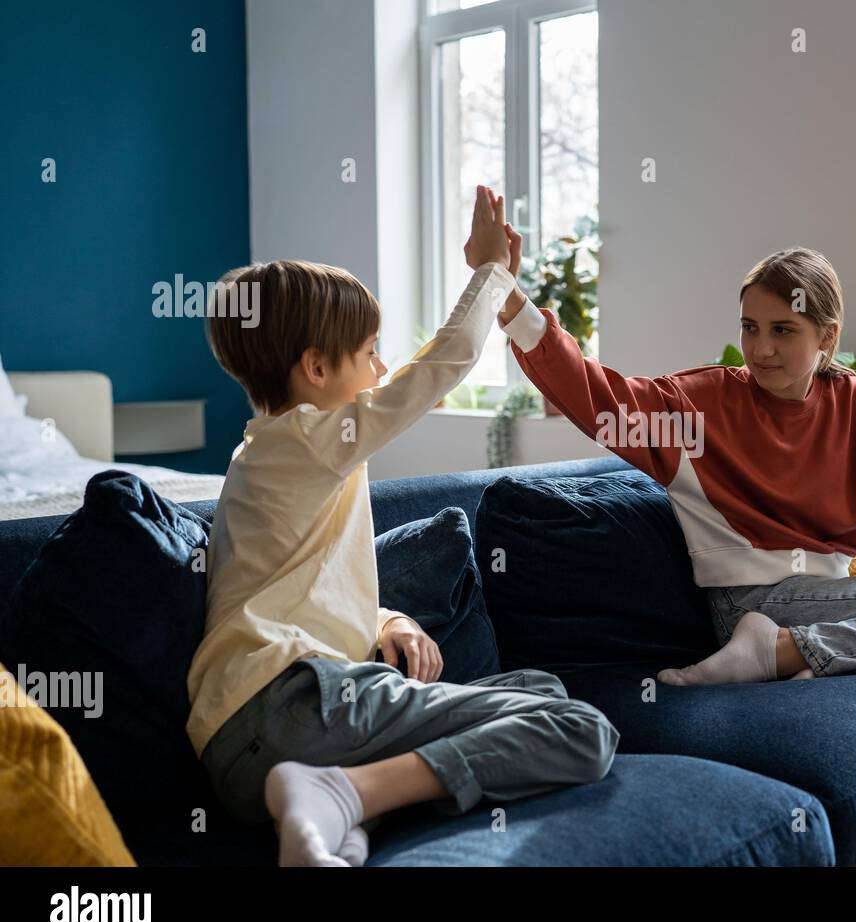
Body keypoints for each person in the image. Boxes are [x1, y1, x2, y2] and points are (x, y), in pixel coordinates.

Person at [189, 186, 619, 866]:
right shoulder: (311, 437)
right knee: (580, 728)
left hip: (240, 750)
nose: (383, 368)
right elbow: (441, 365)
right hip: (292, 703)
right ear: (316, 368)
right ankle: (346, 794)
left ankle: (339, 815)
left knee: (537, 692)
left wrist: (385, 619)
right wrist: (491, 273)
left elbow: (294, 587)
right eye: (370, 352)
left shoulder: (264, 457)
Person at [493, 246, 856, 686]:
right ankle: (771, 647)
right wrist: (508, 295)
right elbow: (597, 396)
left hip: (828, 601)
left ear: (827, 336)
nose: (760, 349)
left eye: (783, 330)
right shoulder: (699, 406)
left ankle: (788, 654)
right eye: (750, 327)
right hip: (751, 602)